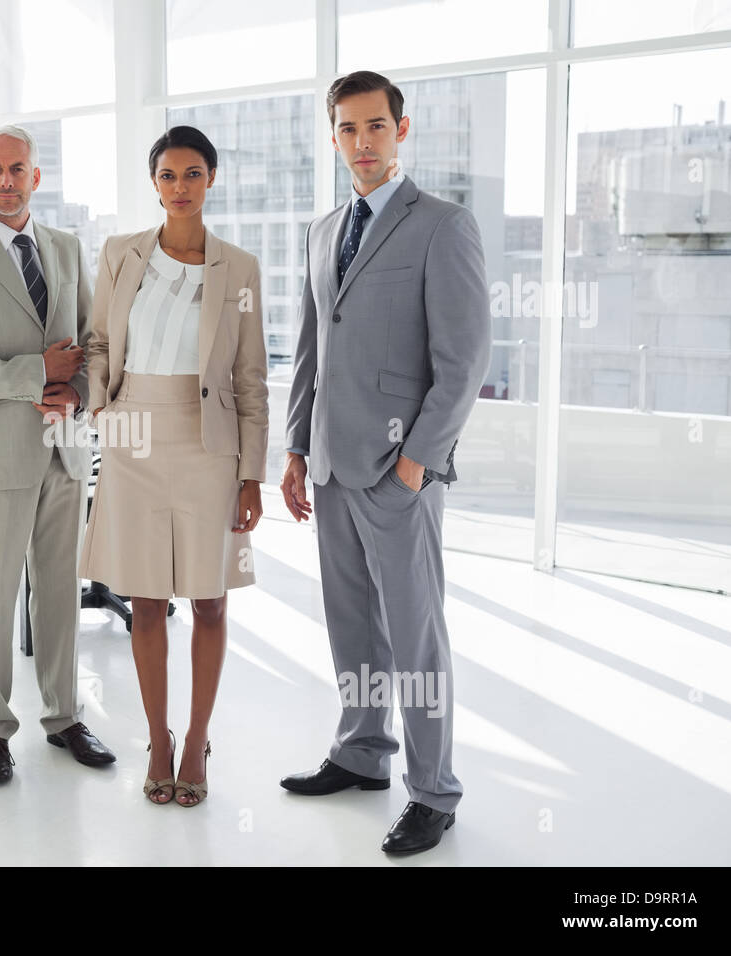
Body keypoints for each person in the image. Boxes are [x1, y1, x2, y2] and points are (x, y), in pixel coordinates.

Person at [279, 71, 491, 852]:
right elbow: (309, 351)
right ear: (333, 136)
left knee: (415, 636)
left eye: (375, 127)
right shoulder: (321, 228)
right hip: (332, 467)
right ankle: (363, 751)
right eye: (347, 129)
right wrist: (297, 449)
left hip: (398, 469)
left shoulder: (442, 225)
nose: (361, 143)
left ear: (401, 130)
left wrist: (418, 465)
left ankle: (434, 792)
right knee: (352, 623)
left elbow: (463, 362)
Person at [79, 126, 268, 807]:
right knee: (148, 599)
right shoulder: (119, 253)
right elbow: (100, 339)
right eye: (168, 175)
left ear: (211, 179)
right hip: (132, 436)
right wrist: (99, 408)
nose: (180, 186)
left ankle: (197, 739)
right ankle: (157, 738)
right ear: (153, 182)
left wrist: (251, 474)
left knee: (210, 597)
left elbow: (251, 377)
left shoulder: (239, 268)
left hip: (207, 440)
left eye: (192, 173)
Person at [0, 124, 116, 783]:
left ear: (37, 176)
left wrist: (78, 395)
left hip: (66, 451)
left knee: (60, 591)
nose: (7, 180)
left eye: (19, 169)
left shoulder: (66, 248)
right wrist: (35, 373)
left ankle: (64, 717)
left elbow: (94, 343)